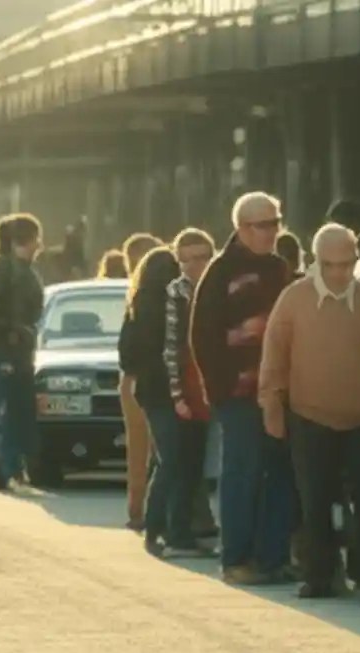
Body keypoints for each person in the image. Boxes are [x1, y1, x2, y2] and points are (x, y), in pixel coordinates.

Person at [259, 223, 360, 605]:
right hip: (310, 416)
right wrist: (273, 407)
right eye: (331, 265)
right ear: (315, 262)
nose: (340, 273)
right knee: (314, 501)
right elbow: (274, 358)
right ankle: (318, 578)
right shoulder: (294, 299)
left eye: (347, 264)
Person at [191, 191, 295, 586]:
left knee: (280, 475)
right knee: (242, 473)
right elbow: (201, 337)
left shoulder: (279, 269)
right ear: (241, 229)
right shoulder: (220, 272)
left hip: (279, 392)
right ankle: (236, 559)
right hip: (237, 395)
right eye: (263, 225)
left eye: (275, 223)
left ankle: (273, 558)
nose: (271, 232)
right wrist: (219, 389)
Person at [120, 246, 212, 558]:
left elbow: (126, 356)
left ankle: (162, 527)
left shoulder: (135, 307)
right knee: (179, 463)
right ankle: (166, 528)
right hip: (177, 390)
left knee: (169, 461)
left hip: (150, 393)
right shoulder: (175, 303)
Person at [0, 214, 45, 490]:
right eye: (35, 238)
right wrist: (14, 330)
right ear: (19, 241)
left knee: (17, 407)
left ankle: (8, 465)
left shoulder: (23, 268)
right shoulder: (1, 267)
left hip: (17, 347)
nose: (40, 244)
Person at [165, 230, 221, 541]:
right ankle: (179, 529)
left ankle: (202, 522)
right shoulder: (178, 292)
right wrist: (177, 394)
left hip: (223, 383)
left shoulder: (221, 286)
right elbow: (171, 347)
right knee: (189, 459)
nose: (194, 265)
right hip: (190, 386)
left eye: (201, 258)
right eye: (185, 260)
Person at [118, 233, 165, 531]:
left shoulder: (139, 293)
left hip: (135, 378)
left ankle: (140, 510)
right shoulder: (142, 294)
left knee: (146, 450)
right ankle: (139, 510)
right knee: (146, 449)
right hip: (139, 379)